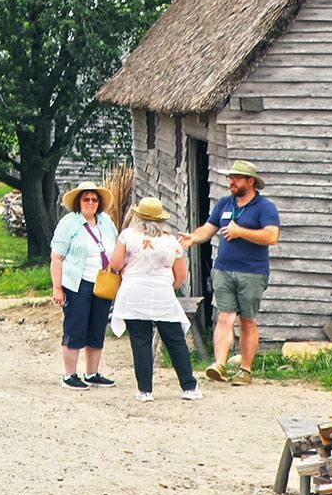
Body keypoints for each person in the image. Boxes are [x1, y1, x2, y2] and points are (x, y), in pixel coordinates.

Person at [180, 159, 281, 385]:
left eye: (236, 178)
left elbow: (272, 236)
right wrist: (194, 237)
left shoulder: (265, 208)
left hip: (252, 272)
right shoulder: (225, 204)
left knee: (247, 321)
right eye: (230, 178)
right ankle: (220, 365)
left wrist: (240, 232)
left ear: (250, 181)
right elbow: (209, 228)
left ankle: (245, 370)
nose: (231, 181)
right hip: (223, 270)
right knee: (224, 317)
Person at [109, 198, 200, 402]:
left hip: (133, 291)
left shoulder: (127, 236)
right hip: (162, 293)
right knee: (175, 340)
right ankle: (189, 386)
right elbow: (181, 274)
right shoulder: (170, 241)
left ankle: (145, 390)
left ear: (138, 216)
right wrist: (169, 285)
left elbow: (115, 263)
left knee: (140, 340)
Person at [50, 181, 119, 391]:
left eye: (94, 199)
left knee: (97, 327)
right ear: (79, 202)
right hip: (77, 283)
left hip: (102, 282)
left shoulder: (106, 222)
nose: (90, 203)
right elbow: (57, 257)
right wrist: (57, 288)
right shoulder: (69, 223)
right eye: (86, 199)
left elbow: (117, 247)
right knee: (75, 326)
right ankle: (69, 374)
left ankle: (92, 372)